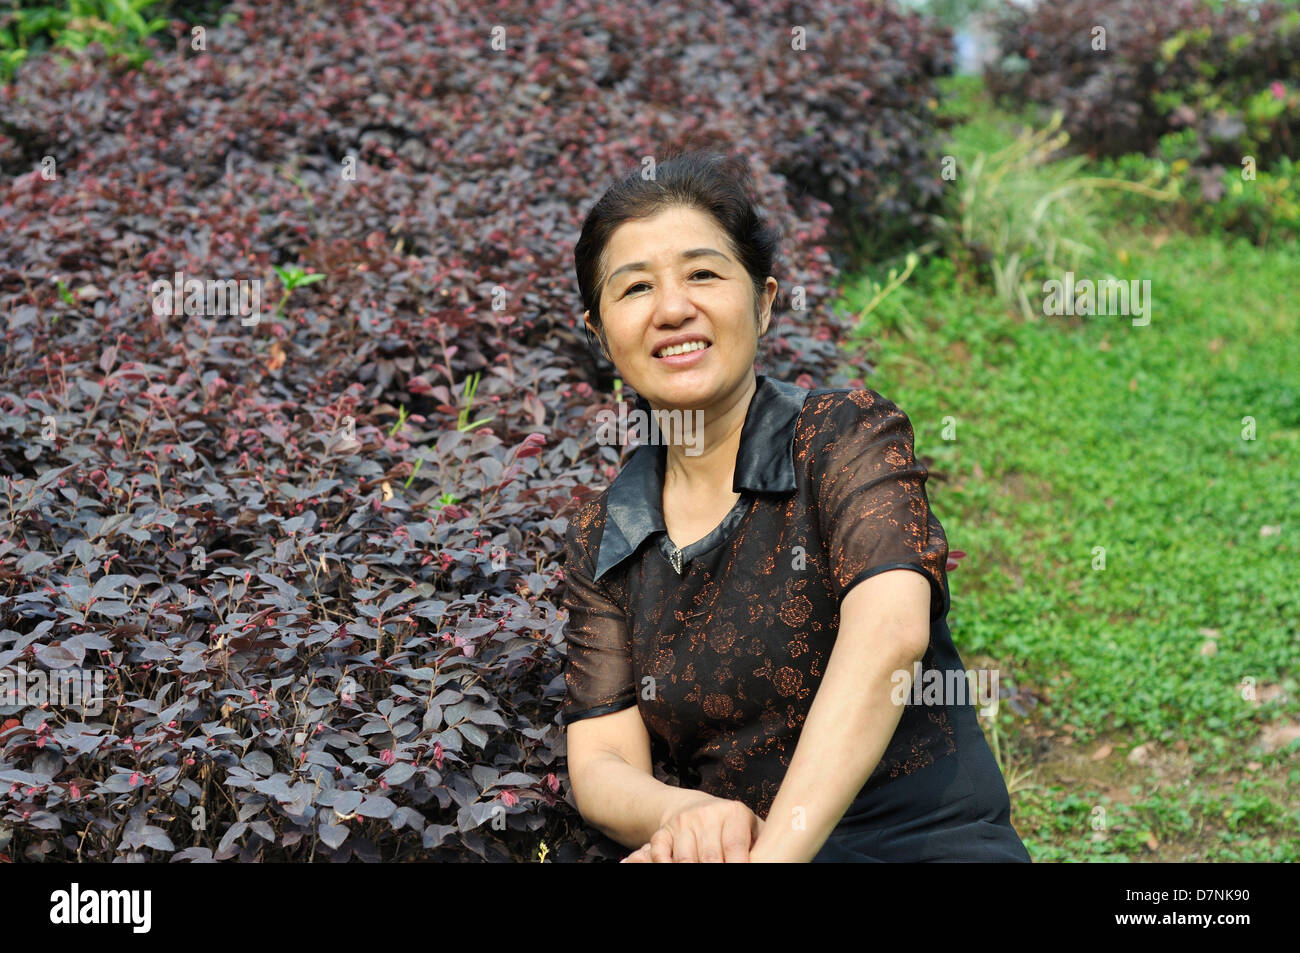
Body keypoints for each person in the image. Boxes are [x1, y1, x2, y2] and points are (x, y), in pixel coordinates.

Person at [560, 150, 1031, 863]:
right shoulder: (610, 530)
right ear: (600, 334)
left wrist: (773, 856)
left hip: (917, 846)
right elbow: (599, 762)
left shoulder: (843, 437)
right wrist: (688, 814)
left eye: (703, 273)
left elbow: (890, 639)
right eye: (634, 288)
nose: (673, 308)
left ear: (765, 300)